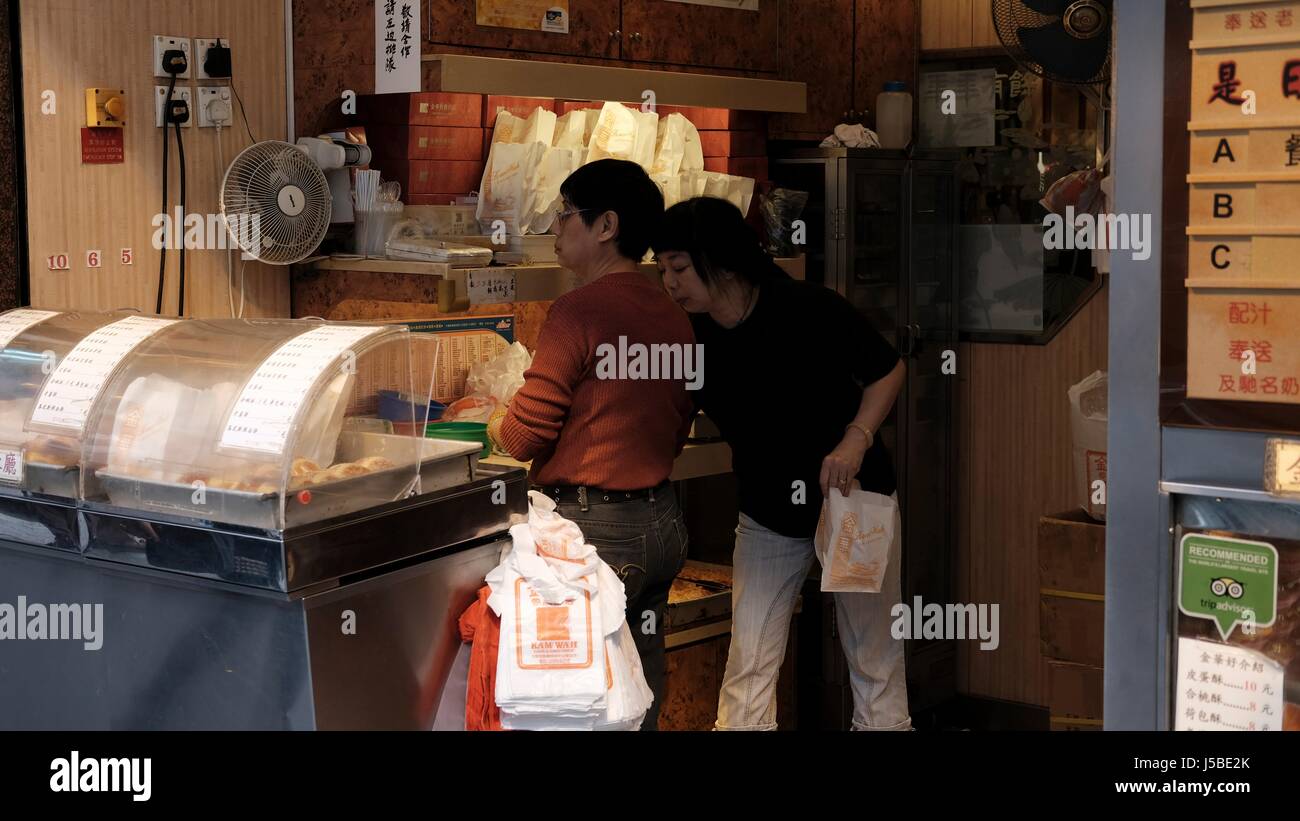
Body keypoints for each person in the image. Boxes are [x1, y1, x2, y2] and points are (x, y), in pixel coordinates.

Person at [653, 196, 910, 731]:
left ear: (719, 260)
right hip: (768, 512)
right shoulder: (692, 334)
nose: (669, 283)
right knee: (749, 663)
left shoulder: (809, 308)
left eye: (678, 268)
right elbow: (673, 409)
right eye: (661, 270)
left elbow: (888, 370)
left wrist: (855, 439)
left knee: (874, 659)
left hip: (853, 502)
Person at [488, 159, 695, 730]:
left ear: (606, 225)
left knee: (580, 700)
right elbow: (678, 421)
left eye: (564, 216)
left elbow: (523, 436)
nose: (555, 229)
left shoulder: (577, 310)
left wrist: (489, 423)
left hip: (594, 533)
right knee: (637, 688)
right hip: (661, 525)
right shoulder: (675, 314)